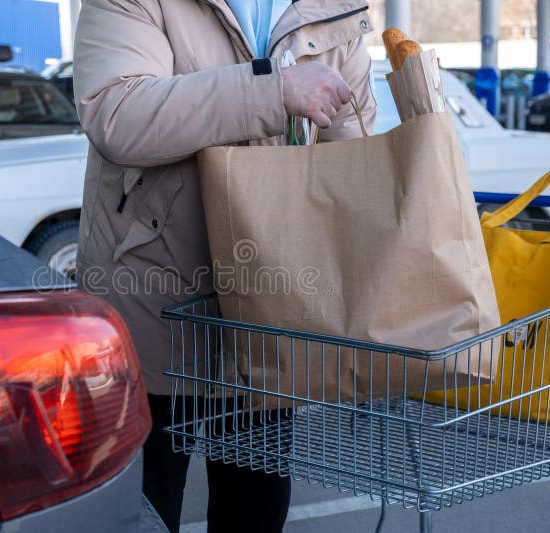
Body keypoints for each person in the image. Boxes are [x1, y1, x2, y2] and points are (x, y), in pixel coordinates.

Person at [73, 1, 377, 532]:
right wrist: (272, 90)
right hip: (153, 309)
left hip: (267, 312)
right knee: (143, 512)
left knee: (255, 513)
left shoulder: (330, 8)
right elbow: (116, 114)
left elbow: (351, 155)